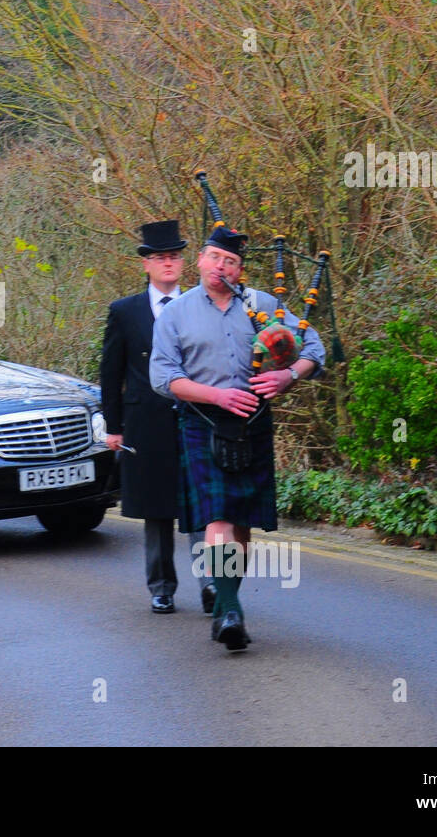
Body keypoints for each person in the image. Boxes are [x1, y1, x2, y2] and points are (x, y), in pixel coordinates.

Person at [149, 226, 324, 650]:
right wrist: (216, 396)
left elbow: (313, 351)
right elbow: (162, 377)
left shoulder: (264, 305)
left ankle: (227, 597)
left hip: (254, 421)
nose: (220, 267)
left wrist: (287, 375)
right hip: (203, 421)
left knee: (242, 526)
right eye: (213, 257)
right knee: (219, 518)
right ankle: (230, 612)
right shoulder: (176, 313)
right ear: (200, 261)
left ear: (240, 268)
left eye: (229, 261)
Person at [101, 221, 210, 615]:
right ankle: (161, 587)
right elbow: (110, 373)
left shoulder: (202, 305)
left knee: (204, 505)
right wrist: (113, 427)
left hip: (198, 418)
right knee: (157, 510)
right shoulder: (124, 312)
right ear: (146, 264)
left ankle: (212, 584)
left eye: (175, 256)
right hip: (146, 423)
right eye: (160, 258)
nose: (169, 263)